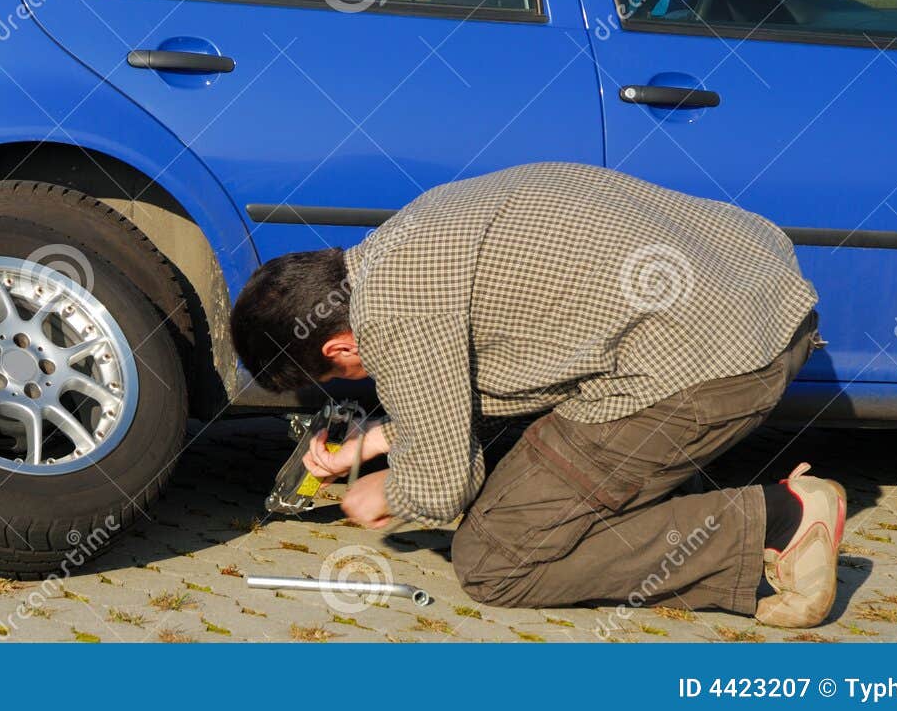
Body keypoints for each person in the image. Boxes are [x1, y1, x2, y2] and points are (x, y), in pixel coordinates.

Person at [230, 162, 845, 628]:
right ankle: (645, 509)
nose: (357, 381)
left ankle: (778, 522)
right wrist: (372, 440)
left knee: (494, 560)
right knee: (541, 491)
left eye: (337, 377)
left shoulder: (390, 311)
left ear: (334, 347)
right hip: (766, 297)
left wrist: (383, 489)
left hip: (711, 364)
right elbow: (460, 388)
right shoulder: (403, 243)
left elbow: (445, 487)